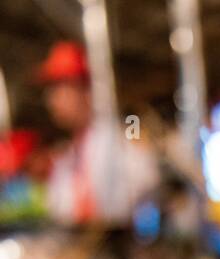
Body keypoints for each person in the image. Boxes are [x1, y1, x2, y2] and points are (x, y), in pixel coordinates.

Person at [36, 41, 158, 228]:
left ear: (87, 91)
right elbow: (58, 207)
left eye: (59, 90)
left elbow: (147, 178)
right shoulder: (69, 155)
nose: (51, 102)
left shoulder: (126, 131)